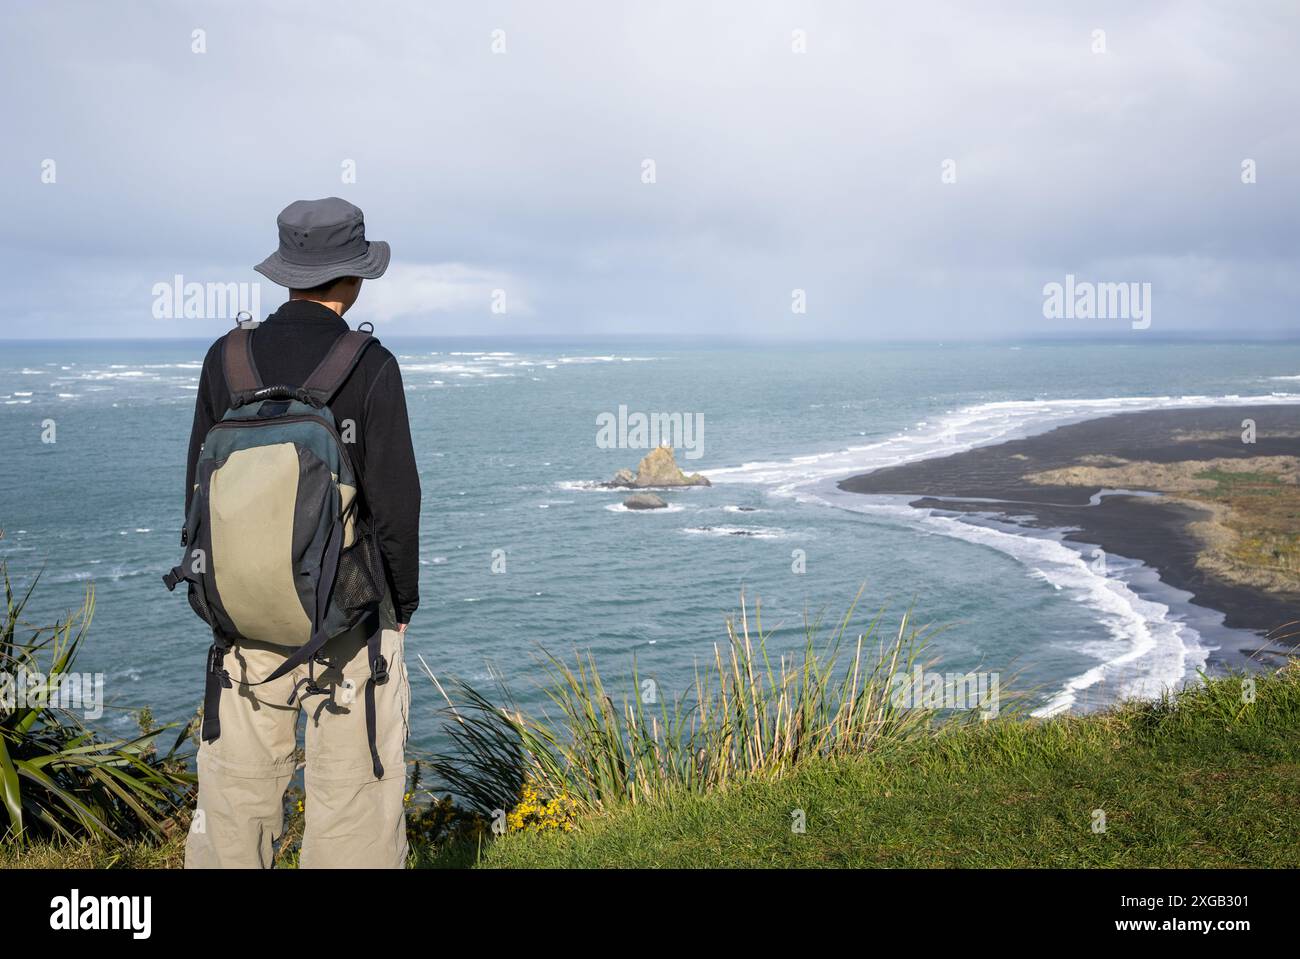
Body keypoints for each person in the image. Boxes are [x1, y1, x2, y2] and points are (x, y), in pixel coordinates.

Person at [182, 197, 420, 868]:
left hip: (243, 620)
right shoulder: (371, 364)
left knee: (233, 805)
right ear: (356, 278)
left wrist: (222, 590)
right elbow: (399, 503)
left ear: (286, 273)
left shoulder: (225, 359)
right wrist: (401, 605)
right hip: (347, 623)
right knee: (353, 810)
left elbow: (197, 491)